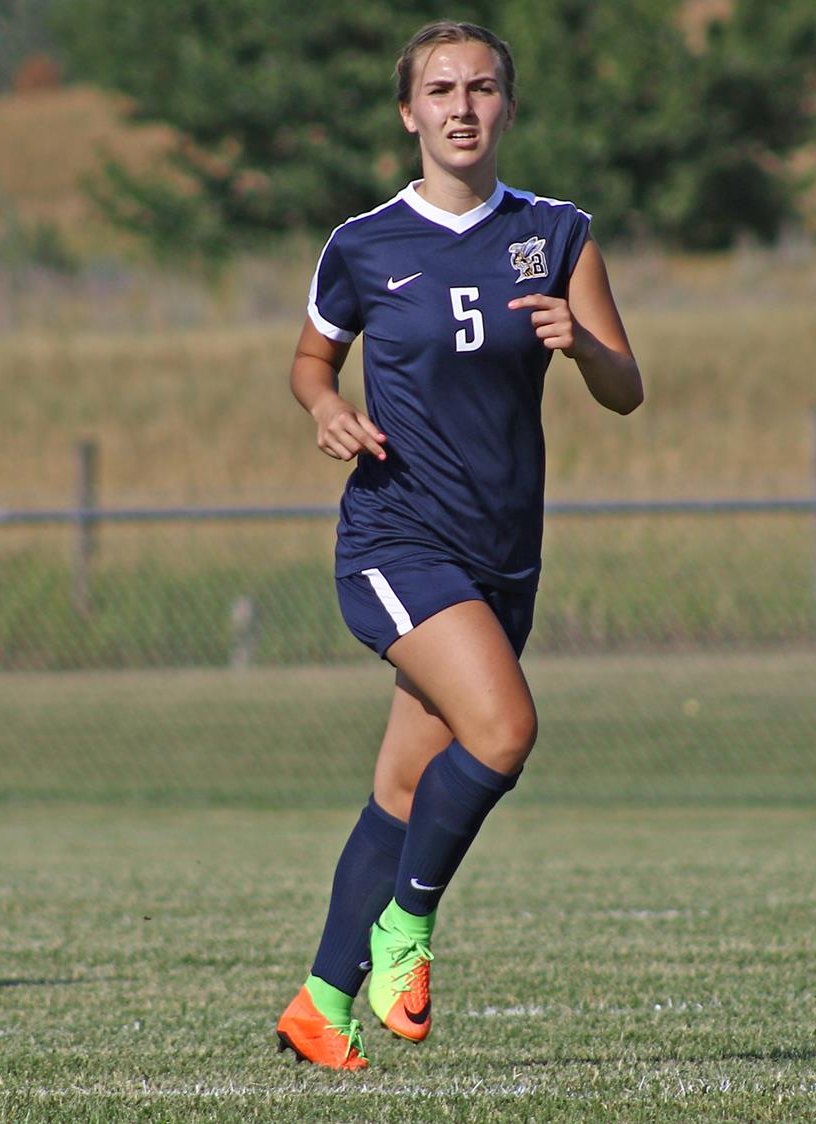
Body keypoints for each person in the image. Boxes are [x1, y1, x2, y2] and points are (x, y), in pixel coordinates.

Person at [273, 20, 642, 1070]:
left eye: (481, 88)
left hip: (501, 551)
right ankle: (406, 927)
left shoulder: (557, 232)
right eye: (440, 89)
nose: (462, 106)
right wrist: (323, 406)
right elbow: (310, 357)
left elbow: (626, 389)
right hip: (395, 534)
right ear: (408, 112)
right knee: (503, 728)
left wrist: (586, 350)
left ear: (507, 107)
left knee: (402, 786)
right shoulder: (363, 244)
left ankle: (318, 1002)